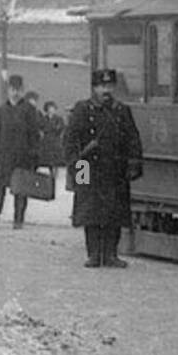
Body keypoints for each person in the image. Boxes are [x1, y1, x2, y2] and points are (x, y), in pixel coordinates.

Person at [64, 69, 144, 269]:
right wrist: (75, 165)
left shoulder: (121, 111)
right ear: (94, 88)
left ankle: (110, 254)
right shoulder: (82, 110)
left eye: (109, 86)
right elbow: (70, 139)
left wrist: (133, 163)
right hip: (86, 166)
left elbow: (133, 139)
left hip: (113, 168)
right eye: (101, 86)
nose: (105, 91)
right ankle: (93, 254)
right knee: (88, 211)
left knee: (113, 212)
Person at [0, 74, 41, 231]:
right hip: (4, 157)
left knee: (20, 191)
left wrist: (34, 156)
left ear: (22, 91)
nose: (15, 93)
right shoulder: (2, 110)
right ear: (8, 90)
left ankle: (18, 220)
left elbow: (34, 135)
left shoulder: (29, 110)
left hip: (22, 157)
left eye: (18, 90)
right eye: (12, 89)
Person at [40, 101, 67, 186]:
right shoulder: (43, 119)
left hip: (55, 140)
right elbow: (41, 127)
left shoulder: (58, 119)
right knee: (48, 158)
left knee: (55, 158)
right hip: (47, 140)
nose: (51, 110)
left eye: (53, 108)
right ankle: (50, 170)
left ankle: (55, 172)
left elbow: (61, 128)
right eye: (50, 108)